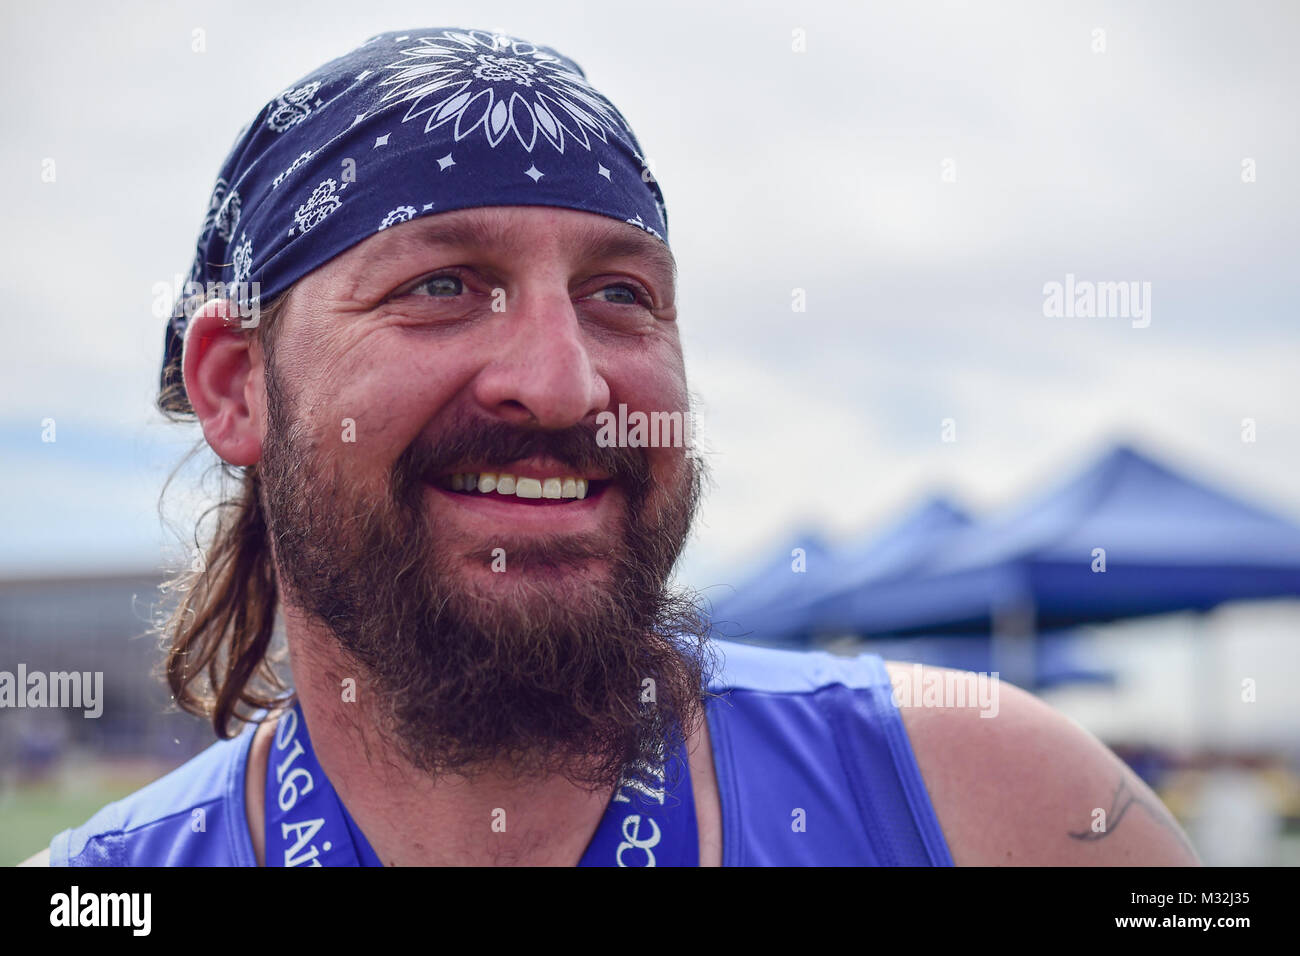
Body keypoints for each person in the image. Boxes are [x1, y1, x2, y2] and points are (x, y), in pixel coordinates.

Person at [25, 26, 1197, 866]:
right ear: (238, 387)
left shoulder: (991, 802)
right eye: (442, 283)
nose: (562, 379)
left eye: (621, 295)